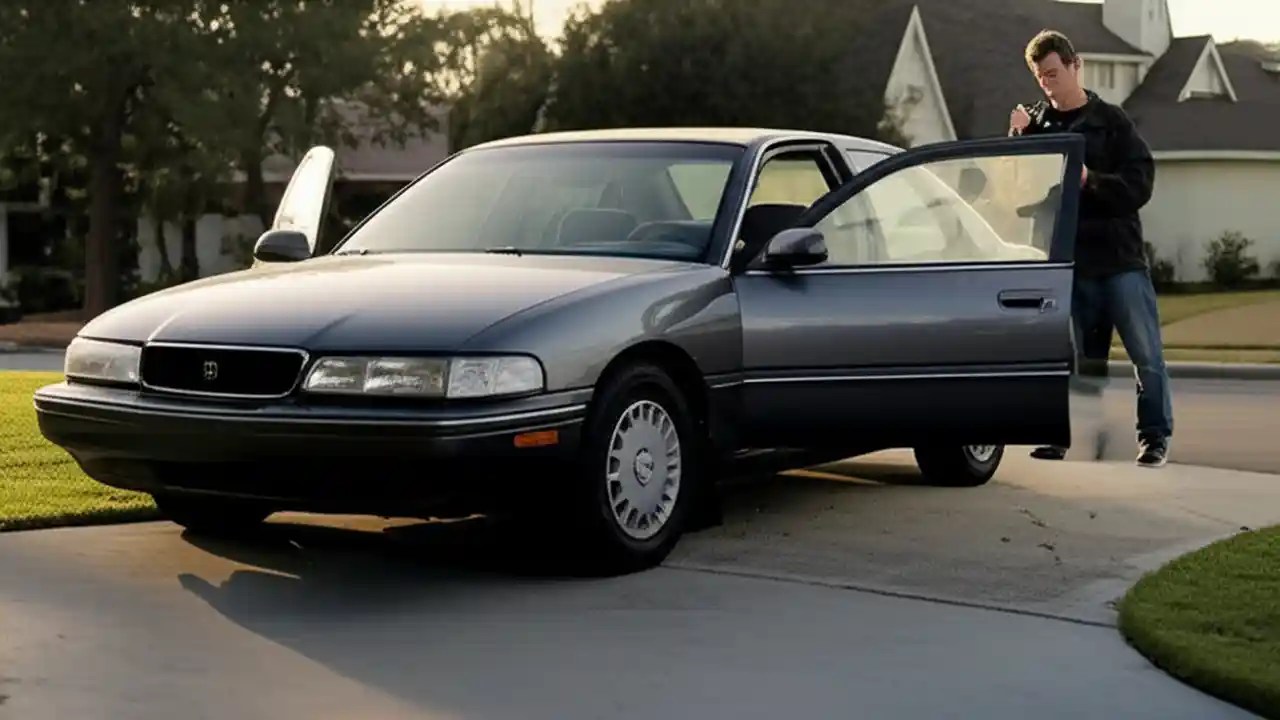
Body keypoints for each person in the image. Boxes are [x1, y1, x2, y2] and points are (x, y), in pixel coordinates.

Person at [1010, 29, 1173, 468]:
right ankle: (1071, 439)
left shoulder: (1112, 121)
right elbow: (1017, 192)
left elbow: (1140, 185)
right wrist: (1017, 137)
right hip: (1072, 262)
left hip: (1120, 261)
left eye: (1053, 73)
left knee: (1146, 355)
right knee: (1082, 363)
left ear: (1074, 65)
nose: (1047, 83)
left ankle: (1154, 439)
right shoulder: (1037, 125)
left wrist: (1089, 181)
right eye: (1040, 77)